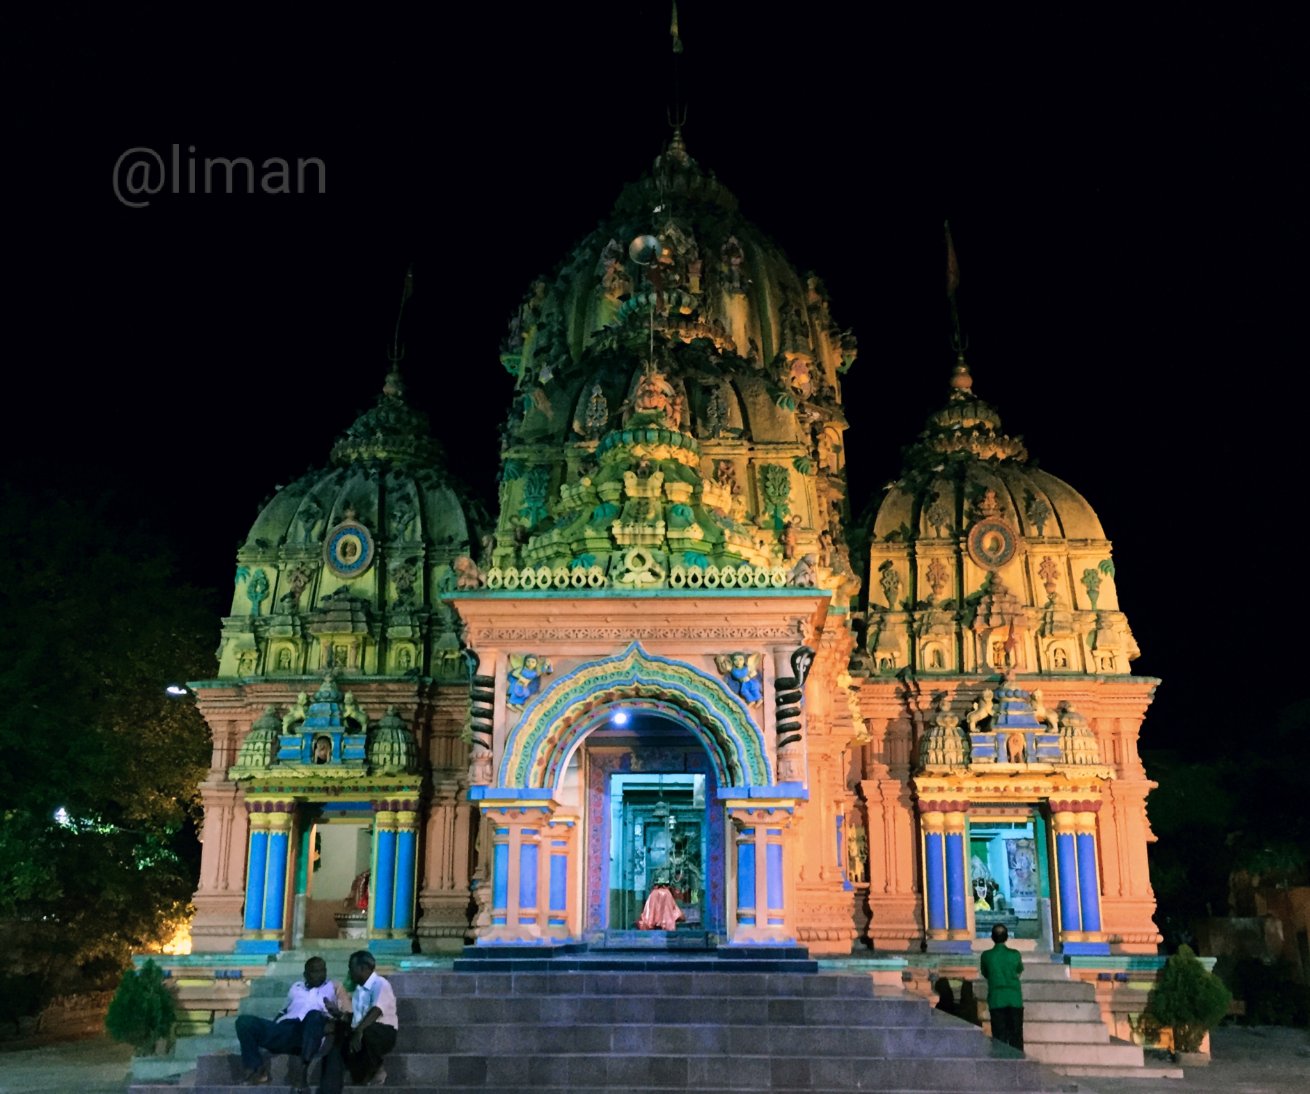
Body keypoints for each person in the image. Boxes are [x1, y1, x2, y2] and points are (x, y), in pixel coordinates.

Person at [235, 955, 342, 1091]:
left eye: (323, 970)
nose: (321, 975)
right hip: (286, 1029)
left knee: (314, 1015)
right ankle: (256, 1070)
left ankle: (302, 1073)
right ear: (306, 974)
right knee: (244, 1022)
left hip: (309, 1032)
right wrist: (272, 1029)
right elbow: (283, 1011)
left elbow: (345, 1016)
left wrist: (334, 1013)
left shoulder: (333, 987)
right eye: (316, 971)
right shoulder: (296, 988)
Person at [318, 950, 398, 1093]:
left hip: (383, 1032)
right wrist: (338, 1015)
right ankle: (330, 1087)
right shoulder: (359, 991)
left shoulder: (380, 983)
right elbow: (355, 1018)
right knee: (336, 1039)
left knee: (364, 1030)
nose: (349, 972)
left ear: (363, 968)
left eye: (351, 967)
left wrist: (359, 1031)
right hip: (362, 1030)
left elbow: (376, 1010)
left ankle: (376, 1067)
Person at [979, 922, 1024, 1050]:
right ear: (1006, 937)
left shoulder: (987, 955)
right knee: (1016, 1036)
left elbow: (985, 973)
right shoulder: (1015, 954)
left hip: (997, 999)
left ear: (992, 937)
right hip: (1014, 999)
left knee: (999, 1037)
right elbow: (1019, 970)